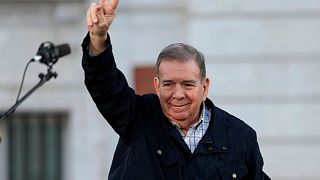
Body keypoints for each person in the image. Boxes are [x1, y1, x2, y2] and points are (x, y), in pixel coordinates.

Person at [82, 0, 270, 179]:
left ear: (204, 87)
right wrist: (98, 37)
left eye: (187, 84)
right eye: (168, 84)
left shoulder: (239, 137)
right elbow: (105, 85)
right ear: (157, 85)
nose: (178, 94)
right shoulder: (138, 117)